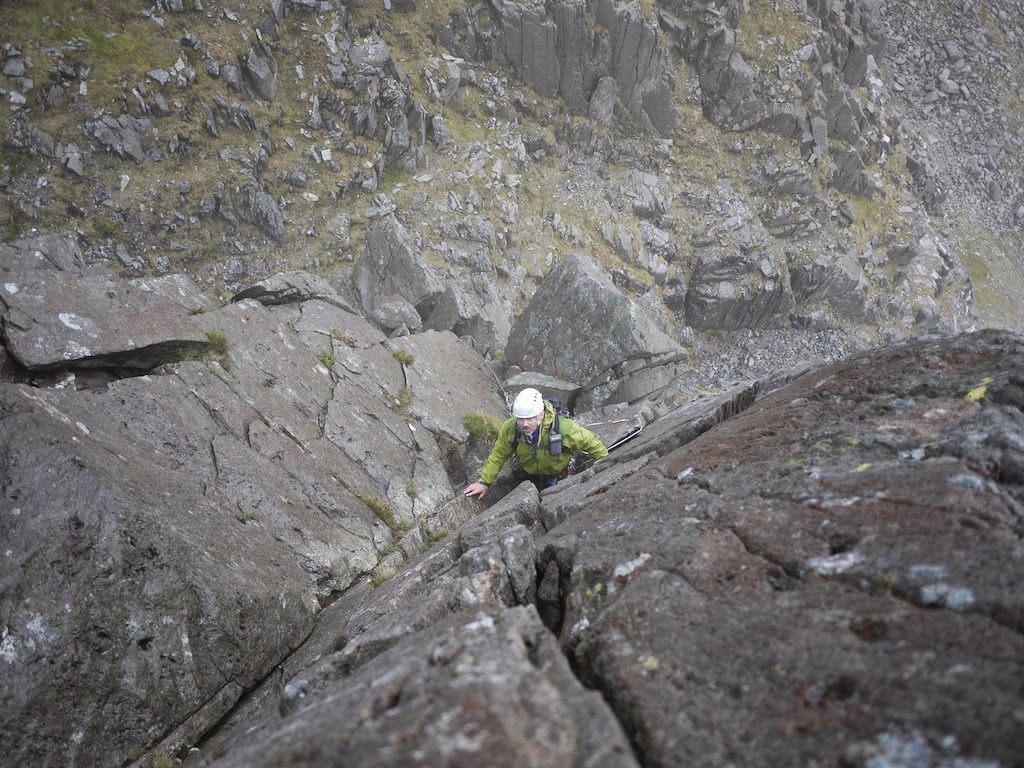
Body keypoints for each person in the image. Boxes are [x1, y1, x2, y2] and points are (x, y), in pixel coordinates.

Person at [464, 387, 608, 499]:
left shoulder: (564, 428)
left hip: (559, 474)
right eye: (520, 419)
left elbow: (590, 442)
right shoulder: (510, 428)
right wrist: (484, 483)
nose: (524, 424)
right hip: (528, 477)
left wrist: (607, 465)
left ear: (541, 414)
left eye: (529, 419)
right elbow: (498, 455)